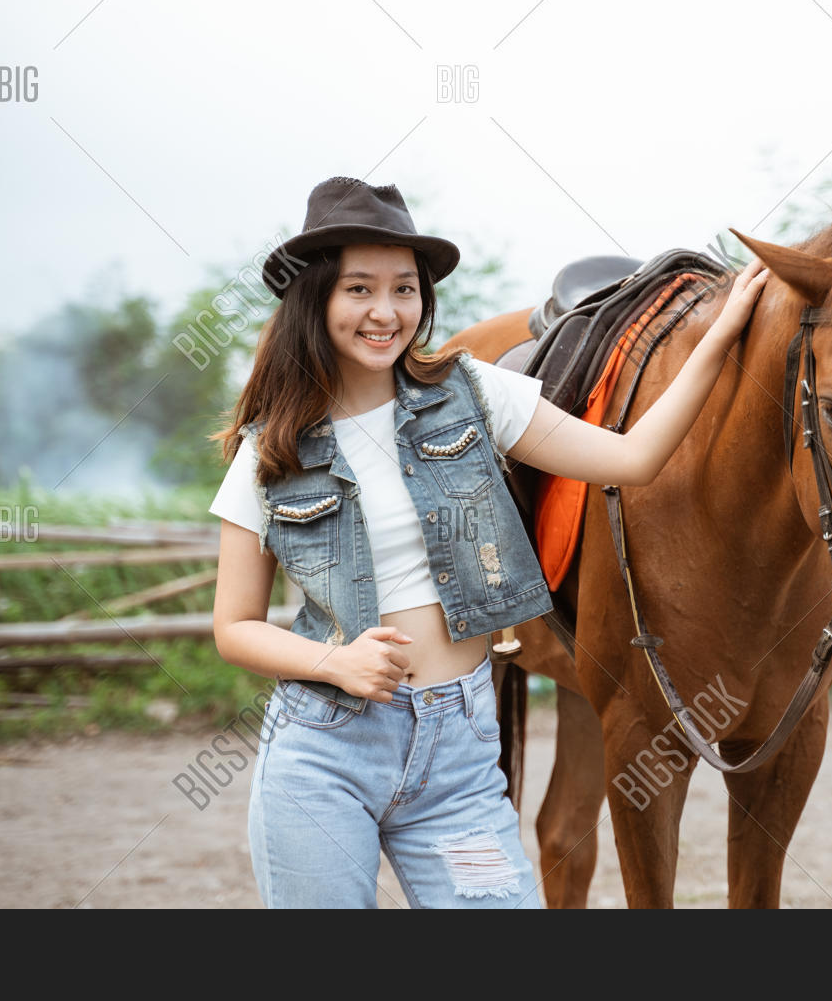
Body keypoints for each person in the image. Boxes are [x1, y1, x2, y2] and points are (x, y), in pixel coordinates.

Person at [208, 176, 768, 908]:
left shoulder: (473, 392)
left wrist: (721, 336)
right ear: (316, 299)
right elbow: (234, 627)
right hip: (323, 751)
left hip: (456, 756)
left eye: (404, 290)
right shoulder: (270, 451)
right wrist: (334, 662)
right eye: (360, 290)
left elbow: (632, 459)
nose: (386, 312)